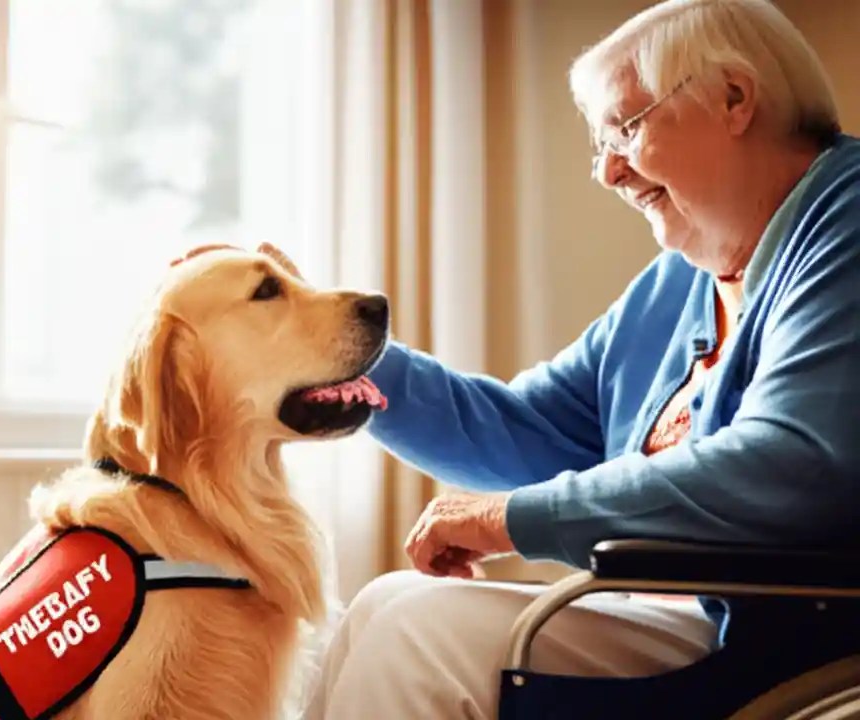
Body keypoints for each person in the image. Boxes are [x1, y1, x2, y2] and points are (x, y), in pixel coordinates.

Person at [303, 0, 860, 717]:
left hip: (790, 632)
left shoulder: (844, 224)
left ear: (733, 98)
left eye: (626, 128)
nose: (608, 171)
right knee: (387, 602)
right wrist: (331, 347)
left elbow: (791, 465)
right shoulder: (678, 282)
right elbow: (520, 429)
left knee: (418, 632)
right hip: (682, 614)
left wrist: (510, 519)